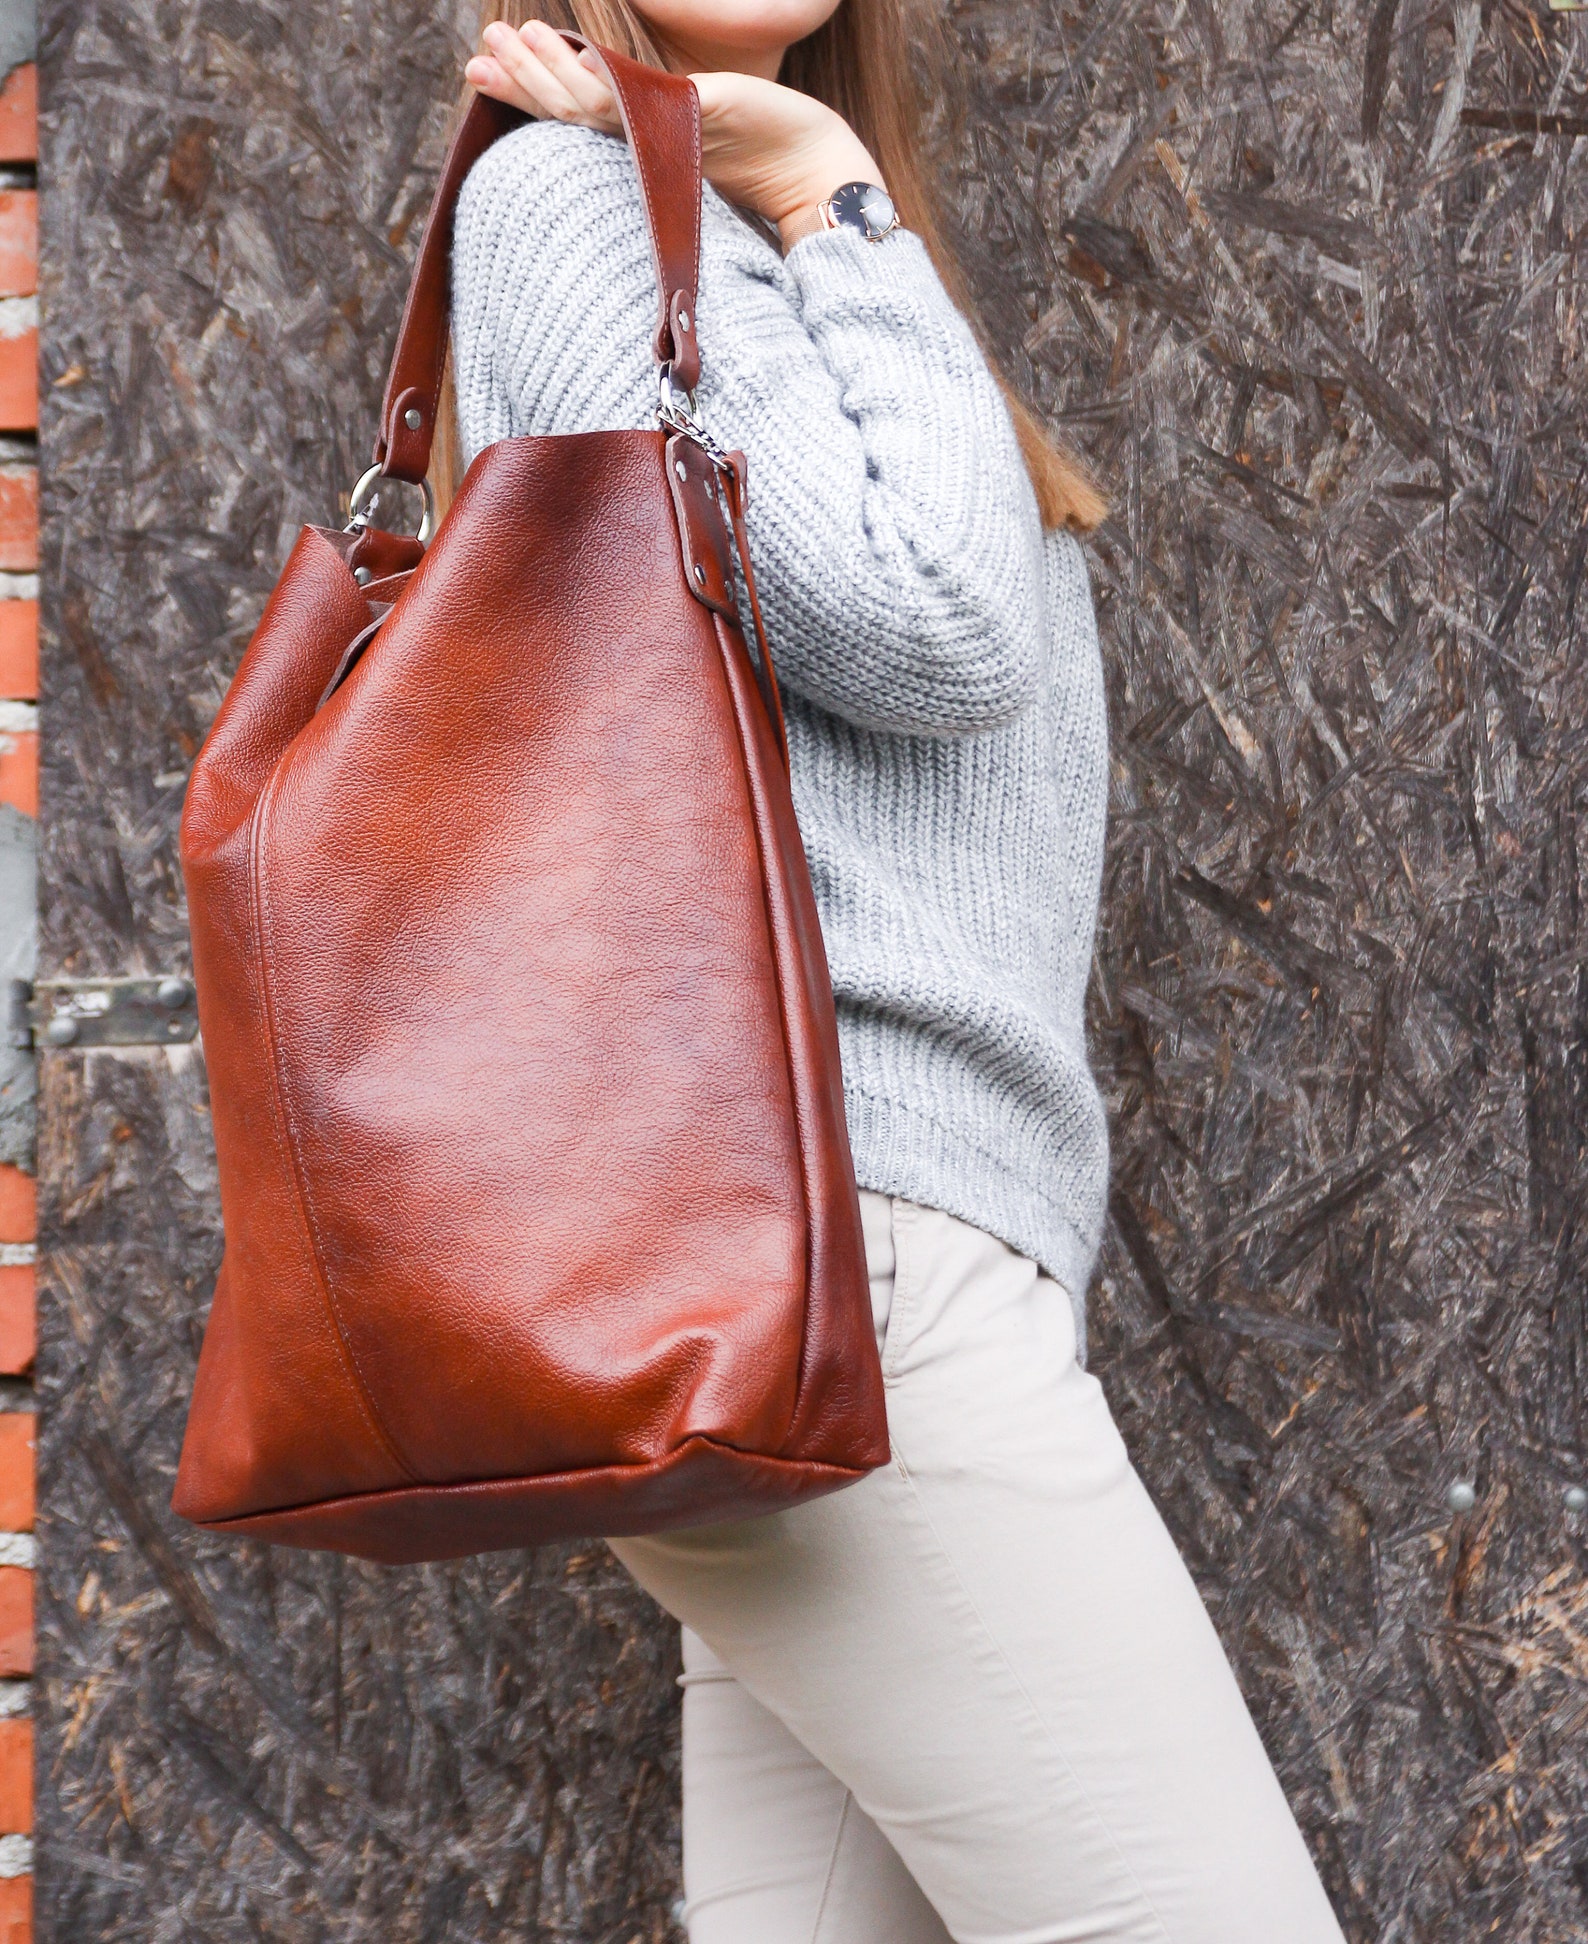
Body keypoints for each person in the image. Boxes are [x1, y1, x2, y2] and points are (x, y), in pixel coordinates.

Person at [448, 5, 1350, 1940]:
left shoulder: (743, 233)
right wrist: (833, 202)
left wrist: (814, 208)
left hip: (876, 1265)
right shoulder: (572, 205)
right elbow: (932, 624)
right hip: (839, 1258)